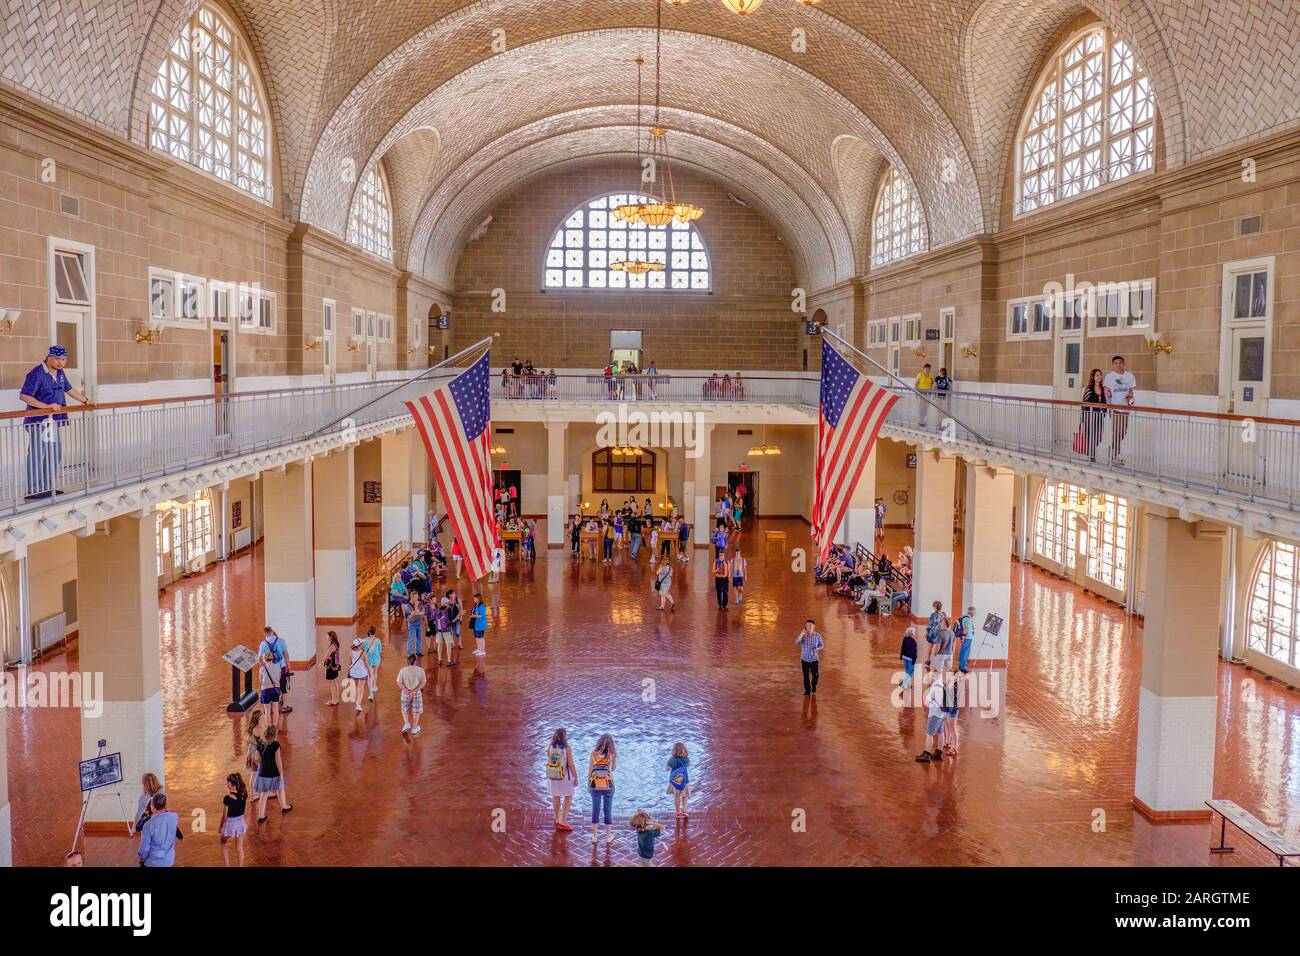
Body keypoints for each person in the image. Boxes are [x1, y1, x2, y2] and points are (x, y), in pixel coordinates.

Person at [18, 344, 94, 500]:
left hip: (52, 421)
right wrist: (46, 406)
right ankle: (33, 490)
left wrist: (85, 400)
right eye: (58, 359)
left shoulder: (60, 373)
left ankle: (47, 487)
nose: (61, 362)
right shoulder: (37, 373)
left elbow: (69, 389)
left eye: (64, 359)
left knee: (54, 453)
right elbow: (24, 396)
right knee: (37, 454)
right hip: (38, 421)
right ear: (49, 357)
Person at [1102, 354, 1137, 464]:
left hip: (1125, 407)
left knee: (1123, 431)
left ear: (1123, 364)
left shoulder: (1130, 376)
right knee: (1117, 431)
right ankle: (1115, 454)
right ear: (1113, 365)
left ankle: (1111, 449)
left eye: (1120, 363)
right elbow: (1106, 392)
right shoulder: (1109, 376)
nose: (1118, 365)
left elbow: (1131, 391)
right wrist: (1109, 407)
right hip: (1114, 407)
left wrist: (1130, 397)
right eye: (1115, 363)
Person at [253, 724, 292, 820]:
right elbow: (278, 762)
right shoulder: (275, 745)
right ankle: (284, 806)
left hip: (263, 772)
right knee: (280, 788)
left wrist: (261, 766)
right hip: (274, 772)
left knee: (264, 794)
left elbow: (256, 758)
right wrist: (281, 775)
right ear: (274, 735)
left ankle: (261, 816)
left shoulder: (260, 744)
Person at [545, 728, 578, 832]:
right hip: (564, 777)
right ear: (564, 737)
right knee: (568, 797)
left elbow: (549, 758)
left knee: (556, 796)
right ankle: (563, 821)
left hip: (552, 776)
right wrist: (576, 776)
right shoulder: (567, 748)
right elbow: (571, 765)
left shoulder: (550, 747)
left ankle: (557, 818)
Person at [588, 734, 617, 846]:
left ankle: (595, 836)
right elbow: (612, 769)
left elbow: (590, 771)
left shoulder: (593, 755)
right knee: (607, 809)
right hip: (608, 785)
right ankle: (608, 836)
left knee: (595, 809)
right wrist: (613, 759)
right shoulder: (610, 755)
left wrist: (588, 785)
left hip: (594, 784)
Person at [136, 793, 179, 867]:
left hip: (153, 863)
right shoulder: (174, 817)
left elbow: (144, 848)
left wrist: (141, 859)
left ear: (152, 807)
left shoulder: (148, 825)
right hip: (169, 861)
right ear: (165, 804)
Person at [258, 626, 293, 715]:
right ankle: (284, 706)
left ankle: (268, 708)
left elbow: (260, 659)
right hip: (281, 667)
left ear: (265, 633)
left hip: (268, 667)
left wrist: (263, 668)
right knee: (283, 686)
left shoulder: (263, 644)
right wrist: (288, 665)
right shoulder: (281, 641)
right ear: (272, 631)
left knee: (269, 686)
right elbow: (286, 654)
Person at [219, 773, 248, 866]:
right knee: (239, 847)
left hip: (231, 824)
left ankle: (227, 865)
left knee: (223, 842)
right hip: (241, 823)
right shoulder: (243, 795)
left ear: (231, 784)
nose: (226, 783)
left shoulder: (227, 798)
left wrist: (221, 826)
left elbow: (225, 816)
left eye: (227, 782)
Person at [916, 675, 946, 763]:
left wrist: (929, 701)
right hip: (942, 713)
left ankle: (927, 754)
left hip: (934, 714)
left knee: (929, 734)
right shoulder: (943, 685)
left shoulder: (935, 687)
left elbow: (926, 703)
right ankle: (939, 753)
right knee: (940, 732)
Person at [396, 654, 427, 736]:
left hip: (406, 693)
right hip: (417, 693)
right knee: (416, 711)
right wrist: (414, 691)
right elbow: (423, 682)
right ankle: (414, 728)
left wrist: (407, 691)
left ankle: (406, 723)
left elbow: (399, 682)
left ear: (408, 662)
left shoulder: (403, 670)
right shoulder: (420, 670)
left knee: (404, 709)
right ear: (415, 661)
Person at [1081, 368, 1107, 462]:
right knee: (1090, 435)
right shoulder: (1089, 389)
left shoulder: (1103, 389)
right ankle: (1091, 455)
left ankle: (1091, 453)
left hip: (1100, 416)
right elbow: (1084, 404)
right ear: (1092, 377)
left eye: (1100, 375)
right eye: (1097, 375)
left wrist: (1104, 412)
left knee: (1098, 436)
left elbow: (1105, 402)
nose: (1099, 377)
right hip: (1090, 416)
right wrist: (1083, 419)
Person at [795, 619, 825, 696]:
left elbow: (822, 645)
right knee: (806, 676)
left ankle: (814, 684)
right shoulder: (803, 635)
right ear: (806, 627)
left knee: (816, 675)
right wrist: (801, 634)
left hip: (814, 659)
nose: (809, 627)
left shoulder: (818, 635)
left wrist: (817, 648)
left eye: (810, 625)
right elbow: (797, 642)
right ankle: (807, 690)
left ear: (814, 626)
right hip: (804, 659)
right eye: (807, 626)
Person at [257, 649, 283, 728]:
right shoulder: (278, 666)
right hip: (275, 689)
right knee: (275, 710)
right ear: (272, 658)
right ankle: (275, 727)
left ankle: (268, 727)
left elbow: (260, 681)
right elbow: (279, 677)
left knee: (267, 711)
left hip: (265, 691)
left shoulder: (262, 668)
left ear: (264, 659)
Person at [666, 742, 690, 819]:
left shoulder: (672, 759)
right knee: (685, 796)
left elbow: (667, 769)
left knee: (676, 796)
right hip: (684, 781)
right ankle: (684, 810)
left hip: (675, 781)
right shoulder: (686, 759)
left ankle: (677, 812)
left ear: (674, 750)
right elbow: (689, 765)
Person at [347, 638, 370, 713]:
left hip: (353, 673)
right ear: (359, 645)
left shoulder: (351, 653)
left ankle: (357, 699)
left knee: (357, 687)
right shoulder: (363, 653)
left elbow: (350, 664)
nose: (363, 644)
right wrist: (370, 673)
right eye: (362, 644)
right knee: (361, 688)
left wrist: (348, 673)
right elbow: (367, 664)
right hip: (362, 673)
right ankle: (358, 704)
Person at [434, 596, 455, 666]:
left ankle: (439, 660)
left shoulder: (437, 610)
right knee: (448, 645)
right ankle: (449, 661)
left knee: (440, 645)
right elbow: (451, 621)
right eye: (447, 603)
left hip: (439, 631)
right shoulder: (449, 610)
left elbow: (435, 621)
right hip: (447, 630)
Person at [363, 625, 383, 698]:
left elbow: (364, 651)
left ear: (369, 632)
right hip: (376, 659)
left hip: (368, 659)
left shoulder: (365, 640)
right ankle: (374, 686)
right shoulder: (378, 640)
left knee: (370, 675)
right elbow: (380, 650)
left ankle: (370, 691)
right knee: (375, 672)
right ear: (375, 632)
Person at [323, 631, 342, 705]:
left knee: (332, 684)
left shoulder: (332, 646)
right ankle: (336, 699)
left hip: (331, 667)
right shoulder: (336, 643)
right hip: (335, 666)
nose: (326, 637)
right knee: (335, 682)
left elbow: (325, 656)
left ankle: (334, 700)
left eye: (327, 636)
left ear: (331, 637)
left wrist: (327, 657)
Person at [957, 605, 976, 673]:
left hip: (965, 637)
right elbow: (966, 629)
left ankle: (961, 665)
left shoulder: (964, 617)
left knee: (963, 651)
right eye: (974, 612)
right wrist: (964, 638)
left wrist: (962, 638)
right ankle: (963, 667)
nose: (974, 614)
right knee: (965, 653)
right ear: (971, 612)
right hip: (967, 638)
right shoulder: (968, 619)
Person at [925, 601, 944, 667]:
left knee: (930, 646)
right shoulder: (943, 614)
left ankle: (928, 659)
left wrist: (927, 632)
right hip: (940, 632)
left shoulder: (933, 615)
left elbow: (930, 624)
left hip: (933, 632)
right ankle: (936, 660)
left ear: (935, 607)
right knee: (938, 647)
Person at [900, 626, 918, 693]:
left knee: (907, 670)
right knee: (911, 671)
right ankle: (904, 683)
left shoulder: (905, 639)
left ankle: (908, 684)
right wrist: (914, 661)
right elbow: (914, 652)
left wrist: (901, 656)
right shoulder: (913, 642)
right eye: (915, 632)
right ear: (912, 633)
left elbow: (902, 648)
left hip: (904, 657)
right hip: (910, 658)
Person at [470, 592, 488, 657]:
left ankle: (482, 651)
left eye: (475, 598)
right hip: (476, 624)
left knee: (481, 637)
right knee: (477, 637)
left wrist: (474, 616)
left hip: (480, 624)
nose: (474, 599)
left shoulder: (482, 606)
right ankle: (479, 649)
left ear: (478, 599)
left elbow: (481, 616)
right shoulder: (476, 605)